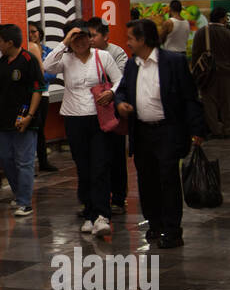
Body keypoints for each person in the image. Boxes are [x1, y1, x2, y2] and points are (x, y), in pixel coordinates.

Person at [114, 18, 207, 249]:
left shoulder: (173, 62)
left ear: (143, 40)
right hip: (142, 131)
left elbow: (189, 98)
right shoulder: (132, 65)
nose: (128, 43)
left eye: (130, 39)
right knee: (146, 181)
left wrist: (197, 129)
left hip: (168, 131)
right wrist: (120, 103)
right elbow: (122, 90)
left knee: (168, 181)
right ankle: (155, 224)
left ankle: (173, 230)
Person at [41, 20, 124, 237]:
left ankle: (102, 215)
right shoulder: (65, 59)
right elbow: (47, 66)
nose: (79, 42)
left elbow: (119, 80)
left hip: (98, 118)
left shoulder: (101, 56)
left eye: (83, 37)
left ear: (90, 38)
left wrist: (112, 93)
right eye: (74, 39)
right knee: (83, 168)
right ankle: (88, 213)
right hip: (73, 118)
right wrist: (64, 42)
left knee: (100, 166)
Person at [0, 24, 44, 218]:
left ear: (9, 42)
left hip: (25, 118)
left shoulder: (29, 60)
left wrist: (29, 116)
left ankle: (25, 203)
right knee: (3, 155)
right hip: (5, 118)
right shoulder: (3, 61)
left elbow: (37, 90)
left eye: (0, 41)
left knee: (25, 161)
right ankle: (19, 193)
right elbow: (1, 87)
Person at [88, 17, 129, 215]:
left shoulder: (116, 52)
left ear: (105, 36)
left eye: (94, 35)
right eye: (88, 35)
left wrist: (111, 91)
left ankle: (119, 198)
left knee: (116, 156)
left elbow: (120, 79)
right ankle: (95, 200)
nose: (90, 39)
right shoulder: (82, 53)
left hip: (112, 111)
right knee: (96, 159)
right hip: (91, 113)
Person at [190, 6, 230, 138]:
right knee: (228, 103)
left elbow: (195, 54)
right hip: (227, 74)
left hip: (207, 75)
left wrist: (196, 75)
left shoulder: (201, 32)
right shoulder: (229, 34)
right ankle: (228, 129)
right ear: (223, 18)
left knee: (209, 104)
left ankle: (216, 130)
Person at [26, 20, 59, 172]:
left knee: (40, 128)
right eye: (28, 32)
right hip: (28, 94)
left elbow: (51, 75)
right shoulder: (25, 51)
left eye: (34, 31)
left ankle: (43, 161)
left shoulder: (47, 51)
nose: (31, 34)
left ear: (40, 33)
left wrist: (38, 76)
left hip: (43, 93)